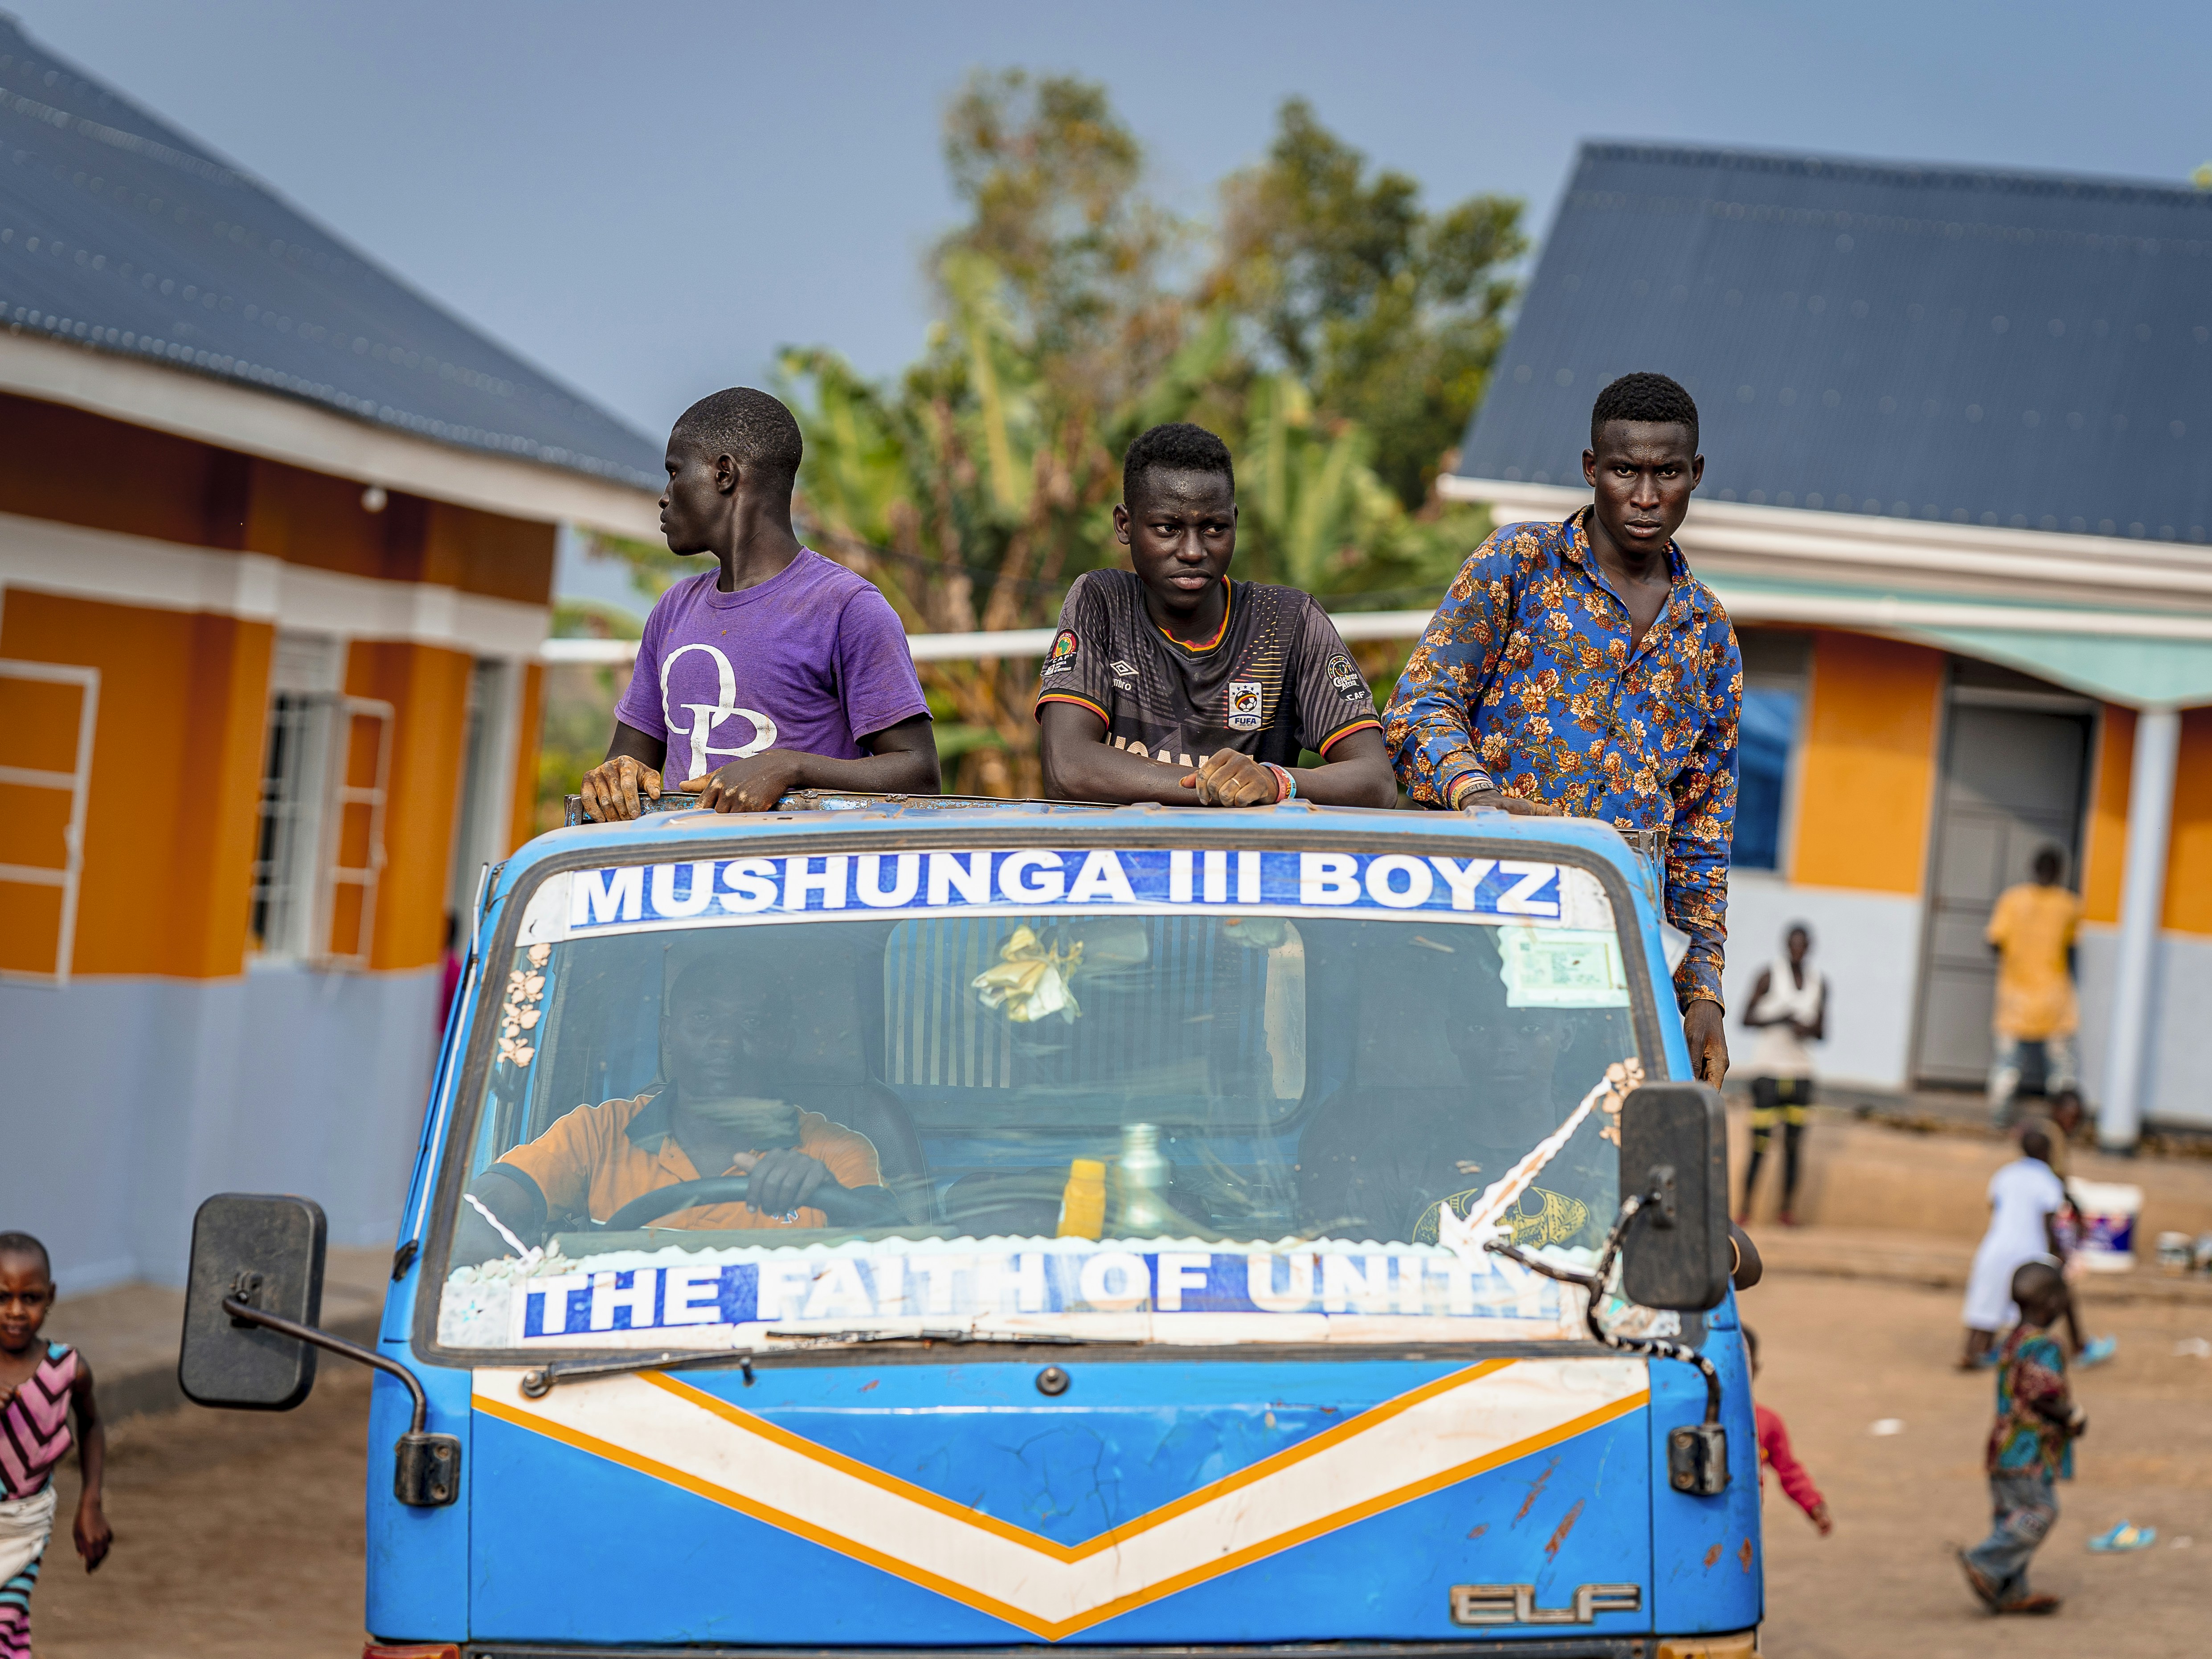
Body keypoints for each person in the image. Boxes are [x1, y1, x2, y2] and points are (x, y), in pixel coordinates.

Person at [1383, 372, 1741, 1086]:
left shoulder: (1709, 633)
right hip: (1480, 929)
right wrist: (1479, 798)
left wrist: (1702, 989)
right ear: (1590, 470)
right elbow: (1418, 707)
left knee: (1591, 1168)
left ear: (1695, 475)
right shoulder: (1517, 565)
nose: (1645, 497)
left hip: (1614, 963)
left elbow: (1703, 831)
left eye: (1667, 473)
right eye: (1624, 472)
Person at [578, 387, 938, 821]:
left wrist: (790, 767)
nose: (665, 495)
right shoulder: (673, 610)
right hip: (677, 877)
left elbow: (919, 772)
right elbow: (629, 762)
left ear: (724, 474)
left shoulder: (846, 608)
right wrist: (612, 778)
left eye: (675, 472)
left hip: (796, 879)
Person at [1036, 422, 1398, 809]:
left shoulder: (1289, 620)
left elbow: (1376, 781)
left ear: (1235, 523)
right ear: (1125, 525)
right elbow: (1068, 768)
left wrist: (1276, 781)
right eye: (1167, 528)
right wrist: (1225, 787)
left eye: (1214, 527)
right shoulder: (1103, 602)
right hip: (1125, 861)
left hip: (1249, 863)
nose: (1192, 551)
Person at [452, 961, 902, 1263]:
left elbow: (896, 1256)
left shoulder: (836, 1154)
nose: (725, 1041)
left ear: (782, 1040)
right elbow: (473, 1213)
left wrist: (831, 1199)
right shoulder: (595, 1134)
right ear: (668, 1034)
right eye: (703, 1020)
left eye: (752, 1023)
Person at [0, 1232, 110, 1659]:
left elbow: (93, 1423)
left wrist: (91, 1502)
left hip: (24, 1526)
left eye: (29, 1298)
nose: (14, 1311)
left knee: (6, 1618)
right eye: (2, 1297)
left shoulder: (67, 1369)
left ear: (51, 1297)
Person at [1957, 1260, 2084, 1616]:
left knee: (2010, 1517)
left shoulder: (2011, 1340)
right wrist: (2073, 1416)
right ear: (2053, 1302)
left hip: (2002, 1448)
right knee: (2040, 1512)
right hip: (2027, 1452)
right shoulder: (2044, 1345)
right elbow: (2043, 1397)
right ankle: (1985, 1562)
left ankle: (2011, 1590)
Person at [1959, 1130, 2083, 1369]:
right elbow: (2050, 1223)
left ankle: (1971, 1351)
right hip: (2029, 1252)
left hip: (1995, 1247)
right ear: (2047, 1152)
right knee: (2034, 1306)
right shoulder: (2048, 1180)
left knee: (1985, 1305)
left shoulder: (2004, 1174)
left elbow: (1995, 1206)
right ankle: (2021, 1354)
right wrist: (2059, 1254)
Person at [1985, 847, 2082, 1131]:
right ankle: (2062, 1125)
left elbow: (1993, 942)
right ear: (2060, 872)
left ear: (2033, 867)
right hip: (2055, 998)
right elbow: (2073, 947)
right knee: (2061, 1071)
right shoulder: (2069, 905)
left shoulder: (2012, 901)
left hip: (2016, 997)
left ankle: (1999, 1121)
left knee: (2007, 1066)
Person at [1738, 923, 1825, 1226]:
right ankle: (1745, 1209)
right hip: (1768, 1072)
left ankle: (1786, 1211)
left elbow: (1823, 1031)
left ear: (1809, 947)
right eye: (1793, 944)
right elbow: (1745, 1018)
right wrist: (1781, 1019)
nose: (1797, 950)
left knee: (1792, 1146)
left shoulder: (1818, 983)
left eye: (1803, 945)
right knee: (1759, 1144)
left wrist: (1806, 1029)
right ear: (1786, 945)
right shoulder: (1768, 975)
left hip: (1800, 1073)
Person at [1743, 1324, 1831, 1536]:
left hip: (1745, 1521)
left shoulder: (1767, 1422)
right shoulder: (1691, 1417)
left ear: (1755, 1369)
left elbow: (1789, 1470)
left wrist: (1814, 1505)